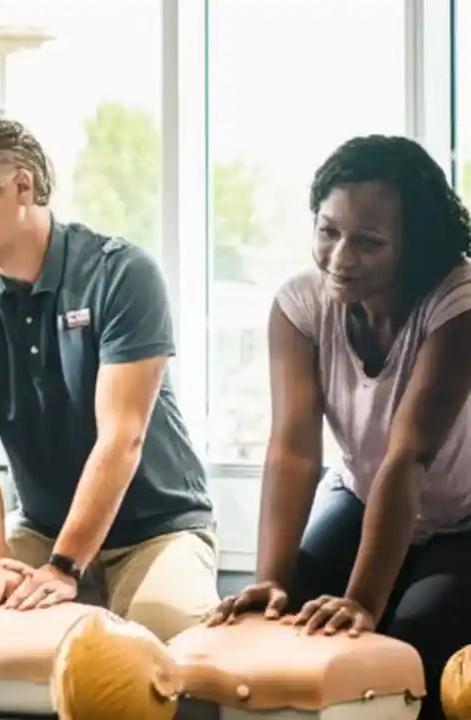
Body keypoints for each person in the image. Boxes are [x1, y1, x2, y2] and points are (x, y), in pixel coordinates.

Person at [0, 107, 218, 643]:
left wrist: (65, 567)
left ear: (21, 187)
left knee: (163, 647)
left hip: (156, 530)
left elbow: (121, 438)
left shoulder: (122, 274)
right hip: (40, 527)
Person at [204, 135, 471, 720]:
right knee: (285, 608)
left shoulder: (458, 302)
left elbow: (410, 457)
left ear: (414, 247)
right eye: (329, 231)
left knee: (410, 639)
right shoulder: (300, 305)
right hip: (365, 494)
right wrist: (270, 578)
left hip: (461, 516)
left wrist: (362, 601)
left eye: (369, 242)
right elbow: (294, 451)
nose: (340, 258)